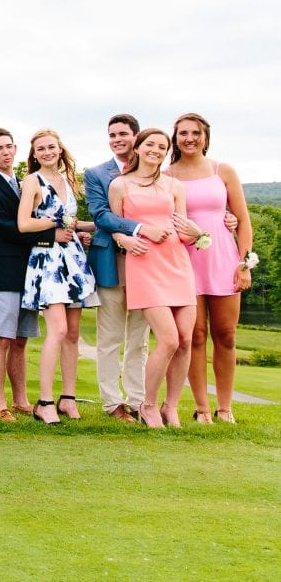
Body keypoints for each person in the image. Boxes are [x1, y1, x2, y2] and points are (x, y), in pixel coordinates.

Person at [109, 128, 203, 428]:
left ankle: (170, 406)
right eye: (151, 144)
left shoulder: (174, 186)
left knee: (186, 339)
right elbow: (114, 225)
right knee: (168, 339)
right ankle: (147, 405)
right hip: (145, 264)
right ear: (137, 147)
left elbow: (185, 228)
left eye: (162, 147)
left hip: (178, 263)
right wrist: (123, 240)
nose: (157, 150)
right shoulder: (120, 185)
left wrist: (197, 234)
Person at [166, 113, 254, 424]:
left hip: (224, 260)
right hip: (184, 263)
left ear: (205, 137)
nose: (189, 138)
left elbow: (242, 220)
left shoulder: (223, 171)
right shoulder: (167, 175)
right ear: (175, 138)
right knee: (195, 335)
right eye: (183, 133)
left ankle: (225, 407)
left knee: (226, 335)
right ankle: (202, 408)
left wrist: (244, 264)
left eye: (195, 133)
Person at [0, 128, 58, 422]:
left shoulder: (25, 184)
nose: (5, 152)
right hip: (3, 271)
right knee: (2, 339)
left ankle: (21, 399)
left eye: (9, 147)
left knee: (21, 339)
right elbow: (6, 230)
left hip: (29, 272)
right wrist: (51, 233)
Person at [17, 129, 97, 425]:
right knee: (58, 330)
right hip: (48, 260)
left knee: (73, 333)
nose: (47, 152)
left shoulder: (67, 180)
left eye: (52, 147)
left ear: (60, 149)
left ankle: (68, 397)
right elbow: (24, 223)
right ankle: (45, 401)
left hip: (73, 260)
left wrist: (97, 226)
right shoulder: (32, 181)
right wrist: (55, 226)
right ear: (34, 154)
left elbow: (74, 222)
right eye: (41, 149)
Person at [84, 114, 149, 423]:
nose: (117, 139)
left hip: (147, 265)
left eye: (123, 133)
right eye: (112, 135)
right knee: (110, 337)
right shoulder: (96, 173)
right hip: (111, 260)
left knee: (140, 336)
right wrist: (137, 229)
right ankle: (112, 403)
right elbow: (100, 215)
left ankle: (139, 401)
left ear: (135, 136)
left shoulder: (151, 170)